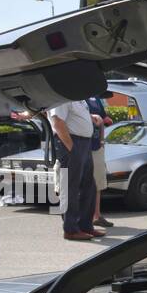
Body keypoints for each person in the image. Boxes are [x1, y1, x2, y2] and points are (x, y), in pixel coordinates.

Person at [48, 98, 102, 240]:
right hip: (72, 143)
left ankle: (85, 226)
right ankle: (70, 229)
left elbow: (74, 117)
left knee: (89, 186)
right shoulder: (60, 97)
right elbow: (57, 122)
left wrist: (90, 118)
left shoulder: (77, 97)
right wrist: (72, 148)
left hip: (84, 143)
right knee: (70, 188)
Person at [86, 94, 112, 228]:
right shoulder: (76, 98)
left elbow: (102, 119)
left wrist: (102, 140)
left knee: (98, 182)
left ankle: (97, 215)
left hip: (97, 146)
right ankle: (85, 218)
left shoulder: (95, 98)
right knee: (82, 183)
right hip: (82, 146)